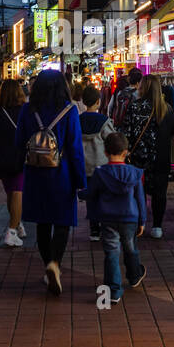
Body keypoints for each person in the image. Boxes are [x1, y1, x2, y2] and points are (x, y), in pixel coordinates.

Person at [16, 69, 86, 295]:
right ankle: (55, 263)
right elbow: (75, 148)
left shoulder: (28, 109)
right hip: (62, 172)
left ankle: (48, 264)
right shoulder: (70, 110)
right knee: (62, 221)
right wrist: (80, 179)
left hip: (35, 173)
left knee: (42, 223)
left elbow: (19, 142)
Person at [81, 131, 147, 302]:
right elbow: (140, 198)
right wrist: (142, 220)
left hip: (107, 217)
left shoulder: (100, 173)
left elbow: (90, 193)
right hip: (130, 217)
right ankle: (134, 275)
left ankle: (113, 290)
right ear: (126, 152)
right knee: (130, 249)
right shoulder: (135, 173)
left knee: (111, 253)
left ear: (105, 152)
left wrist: (79, 194)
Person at [122, 73, 174, 239]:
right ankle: (157, 226)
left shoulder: (134, 107)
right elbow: (171, 134)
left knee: (137, 192)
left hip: (138, 157)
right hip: (160, 158)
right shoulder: (167, 109)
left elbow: (127, 132)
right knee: (160, 193)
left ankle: (139, 223)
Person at [0, 79, 27, 249]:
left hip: (1, 154)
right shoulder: (25, 110)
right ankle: (11, 231)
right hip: (19, 154)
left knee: (11, 191)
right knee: (18, 191)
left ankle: (17, 224)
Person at [78, 84, 115, 242]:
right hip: (102, 165)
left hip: (85, 166)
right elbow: (112, 139)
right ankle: (105, 226)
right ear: (98, 102)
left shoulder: (78, 120)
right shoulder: (104, 121)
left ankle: (94, 230)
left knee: (91, 199)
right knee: (103, 197)